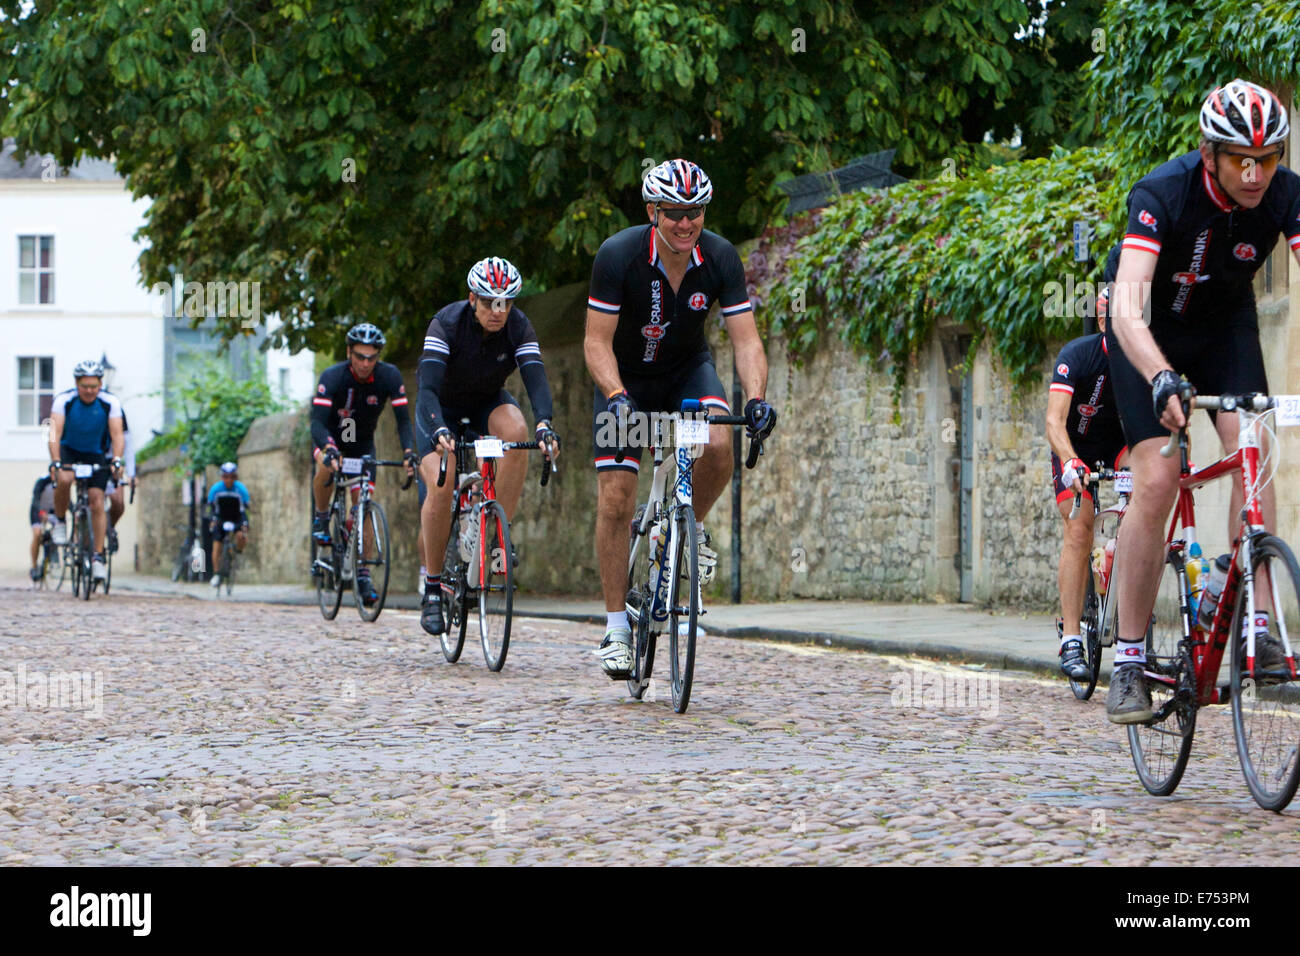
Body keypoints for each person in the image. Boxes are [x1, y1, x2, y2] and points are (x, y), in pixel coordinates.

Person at [1105, 79, 1300, 723]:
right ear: (1207, 151)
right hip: (1147, 331)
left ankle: (1258, 627)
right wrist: (1161, 376)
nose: (1255, 173)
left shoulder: (1286, 196)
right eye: (1241, 158)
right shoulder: (1162, 193)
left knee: (1255, 445)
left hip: (1222, 326)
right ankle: (1129, 660)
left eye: (1269, 158)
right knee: (1158, 474)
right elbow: (1128, 306)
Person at [583, 158, 777, 678]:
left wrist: (756, 399)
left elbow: (747, 340)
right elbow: (595, 341)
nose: (686, 223)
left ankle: (686, 530)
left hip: (687, 374)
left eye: (695, 212)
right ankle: (616, 630)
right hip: (625, 382)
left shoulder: (719, 257)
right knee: (617, 496)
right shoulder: (618, 255)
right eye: (674, 213)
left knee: (718, 445)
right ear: (653, 212)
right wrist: (615, 394)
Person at [415, 257, 560, 635]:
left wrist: (546, 425)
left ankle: (495, 531)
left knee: (516, 430)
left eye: (506, 303)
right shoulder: (446, 324)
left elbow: (535, 380)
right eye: (490, 302)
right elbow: (427, 389)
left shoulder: (518, 326)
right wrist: (436, 430)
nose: (498, 311)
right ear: (472, 299)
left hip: (484, 403)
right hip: (439, 411)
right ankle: (432, 587)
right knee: (442, 484)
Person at [1046, 245, 1127, 678]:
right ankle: (1072, 637)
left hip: (1119, 445)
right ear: (1101, 321)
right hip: (1074, 448)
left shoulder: (1141, 357)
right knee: (1080, 525)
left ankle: (1117, 570)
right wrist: (1070, 461)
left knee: (1145, 502)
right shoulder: (1077, 356)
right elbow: (1054, 421)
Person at [310, 323, 416, 606]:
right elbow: (317, 422)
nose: (365, 363)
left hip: (362, 445)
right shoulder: (333, 377)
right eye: (359, 356)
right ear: (349, 352)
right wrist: (330, 448)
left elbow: (403, 420)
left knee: (364, 507)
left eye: (371, 357)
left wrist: (409, 451)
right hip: (333, 438)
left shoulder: (389, 376)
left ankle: (363, 573)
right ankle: (321, 516)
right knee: (325, 464)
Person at [47, 359, 124, 583]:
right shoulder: (64, 401)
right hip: (69, 449)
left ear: (100, 384)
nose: (90, 391)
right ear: (77, 384)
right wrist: (56, 460)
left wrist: (117, 460)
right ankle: (60, 520)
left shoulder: (110, 402)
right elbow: (54, 433)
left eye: (94, 386)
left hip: (95, 453)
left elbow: (118, 434)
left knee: (97, 500)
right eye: (85, 386)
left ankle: (98, 556)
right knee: (64, 478)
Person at [101, 394, 136, 555]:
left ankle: (108, 527)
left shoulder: (116, 412)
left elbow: (127, 442)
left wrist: (131, 473)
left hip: (110, 459)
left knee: (118, 502)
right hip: (88, 457)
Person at [208, 462, 251, 589]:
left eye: (232, 477)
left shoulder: (241, 489)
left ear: (235, 477)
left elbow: (245, 510)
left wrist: (245, 525)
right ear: (222, 477)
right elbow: (211, 508)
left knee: (242, 534)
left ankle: (237, 550)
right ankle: (216, 574)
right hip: (220, 517)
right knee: (216, 545)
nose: (229, 480)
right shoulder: (215, 489)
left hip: (237, 517)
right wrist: (212, 521)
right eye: (226, 477)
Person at [28, 473, 56, 581]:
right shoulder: (43, 481)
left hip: (52, 512)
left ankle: (51, 554)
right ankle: (34, 566)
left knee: (57, 534)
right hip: (38, 511)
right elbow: (35, 498)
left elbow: (67, 502)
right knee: (37, 534)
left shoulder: (62, 484)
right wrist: (40, 512)